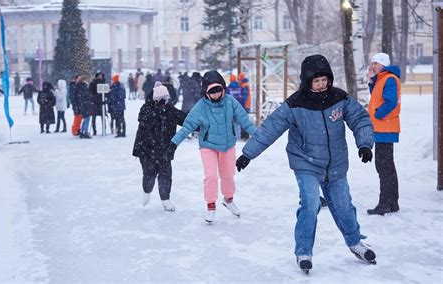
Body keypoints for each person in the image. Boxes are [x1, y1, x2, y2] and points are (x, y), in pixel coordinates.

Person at [235, 54, 377, 273]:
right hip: (306, 163)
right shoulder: (295, 104)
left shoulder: (339, 98)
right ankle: (303, 251)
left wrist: (365, 144)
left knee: (344, 206)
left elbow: (360, 119)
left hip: (336, 164)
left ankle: (355, 242)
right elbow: (270, 128)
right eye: (316, 81)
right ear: (307, 81)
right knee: (310, 204)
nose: (321, 85)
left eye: (324, 80)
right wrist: (248, 153)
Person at [169, 70, 257, 223]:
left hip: (228, 145)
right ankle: (211, 206)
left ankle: (228, 200)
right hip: (208, 146)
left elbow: (245, 121)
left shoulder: (230, 102)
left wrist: (260, 137)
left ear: (223, 89)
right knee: (211, 177)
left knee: (228, 176)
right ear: (206, 92)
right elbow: (187, 126)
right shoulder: (201, 106)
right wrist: (173, 143)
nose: (216, 95)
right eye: (212, 92)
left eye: (219, 91)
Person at [133, 84, 186, 211]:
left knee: (165, 175)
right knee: (149, 175)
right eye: (161, 98)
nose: (164, 101)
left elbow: (186, 119)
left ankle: (165, 199)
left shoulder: (170, 110)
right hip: (147, 150)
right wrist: (157, 111)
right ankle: (147, 191)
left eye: (166, 98)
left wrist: (199, 123)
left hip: (164, 150)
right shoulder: (147, 110)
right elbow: (144, 126)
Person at [366, 53, 401, 216]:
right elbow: (377, 97)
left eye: (376, 63)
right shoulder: (382, 79)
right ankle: (392, 202)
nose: (373, 66)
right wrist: (372, 80)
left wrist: (378, 114)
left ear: (383, 65)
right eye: (372, 63)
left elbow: (390, 102)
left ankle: (385, 203)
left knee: (384, 167)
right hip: (382, 128)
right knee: (387, 166)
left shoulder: (389, 79)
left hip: (385, 127)